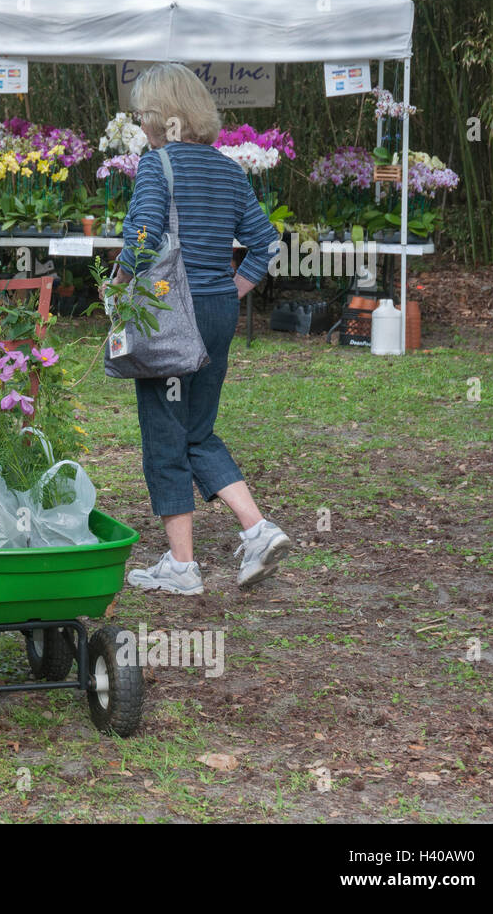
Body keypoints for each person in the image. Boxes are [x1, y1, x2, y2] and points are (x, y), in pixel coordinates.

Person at [113, 62, 290, 594]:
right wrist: (235, 288)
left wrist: (118, 284)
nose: (140, 119)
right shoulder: (229, 170)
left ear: (160, 116)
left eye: (144, 110)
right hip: (216, 314)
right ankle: (257, 530)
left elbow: (144, 237)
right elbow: (266, 243)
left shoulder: (156, 165)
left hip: (171, 315)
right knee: (197, 430)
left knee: (165, 432)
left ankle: (184, 566)